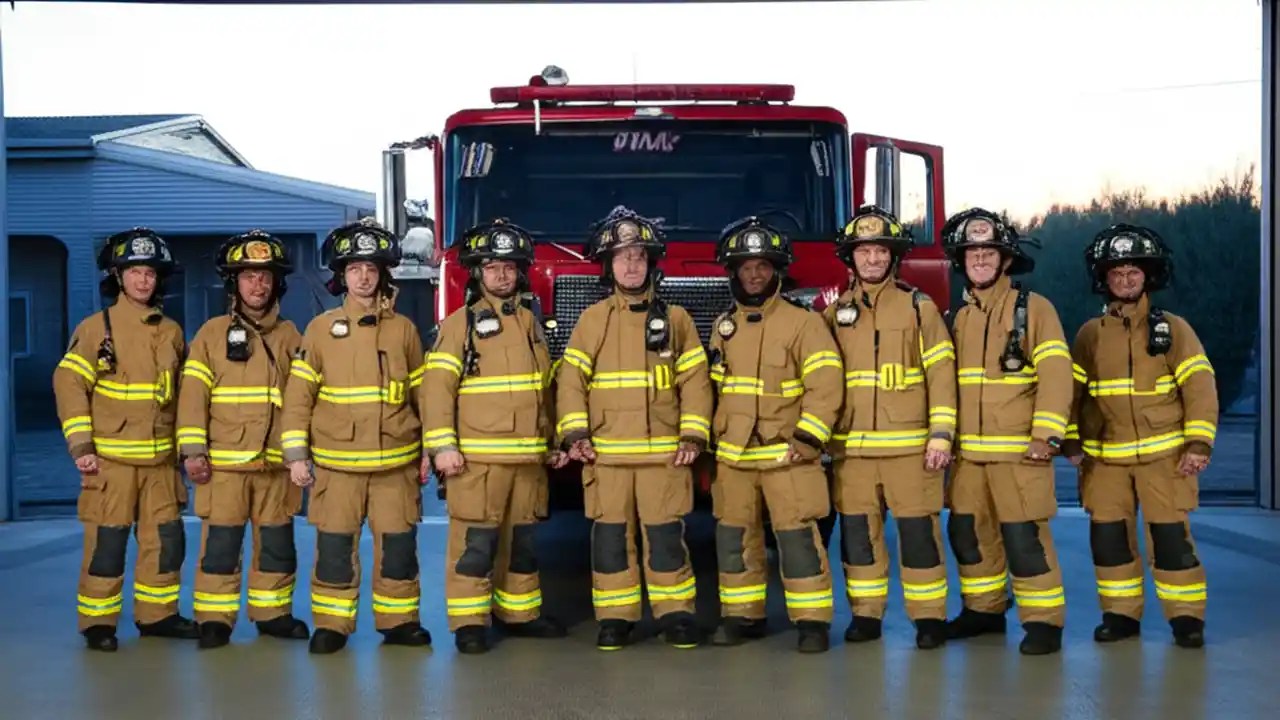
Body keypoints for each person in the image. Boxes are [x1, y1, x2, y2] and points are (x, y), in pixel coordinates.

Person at [555, 207, 713, 651]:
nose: (631, 265)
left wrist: (693, 435)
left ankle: (676, 615)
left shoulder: (677, 320)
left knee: (666, 539)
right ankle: (615, 619)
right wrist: (575, 435)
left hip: (664, 456)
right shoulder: (592, 320)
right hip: (606, 457)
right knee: (610, 542)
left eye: (639, 257)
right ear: (609, 265)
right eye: (622, 257)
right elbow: (570, 382)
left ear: (650, 264)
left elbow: (696, 382)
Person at [280, 219, 429, 655]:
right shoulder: (320, 330)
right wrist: (296, 455)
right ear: (340, 276)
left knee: (399, 550)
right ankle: (331, 625)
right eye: (354, 268)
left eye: (370, 268)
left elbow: (423, 395)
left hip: (395, 468)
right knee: (333, 549)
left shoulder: (404, 331)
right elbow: (297, 399)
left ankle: (400, 623)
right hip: (338, 468)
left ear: (383, 274)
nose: (363, 276)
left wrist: (427, 451)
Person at [1063, 223, 1215, 649]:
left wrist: (1199, 443)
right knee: (1110, 542)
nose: (1126, 281)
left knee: (1170, 541)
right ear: (1103, 279)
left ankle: (1186, 619)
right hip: (1104, 460)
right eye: (1117, 273)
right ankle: (1120, 617)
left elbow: (1199, 387)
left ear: (1148, 276)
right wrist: (1070, 441)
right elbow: (1072, 394)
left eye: (1134, 273)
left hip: (1164, 459)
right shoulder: (1089, 335)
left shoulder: (1174, 329)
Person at [422, 218, 570, 654]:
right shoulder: (459, 325)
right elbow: (437, 390)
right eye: (492, 267)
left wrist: (552, 444)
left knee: (521, 544)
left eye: (508, 267)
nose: (501, 275)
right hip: (477, 462)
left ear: (519, 272)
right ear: (478, 273)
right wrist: (443, 447)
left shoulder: (532, 324)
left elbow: (543, 391)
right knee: (474, 545)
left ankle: (519, 614)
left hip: (527, 462)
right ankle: (469, 622)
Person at [53, 227, 197, 651]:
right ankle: (98, 624)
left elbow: (183, 397)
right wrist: (81, 446)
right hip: (110, 465)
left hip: (160, 467)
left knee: (166, 544)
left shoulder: (172, 331)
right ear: (118, 277)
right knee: (107, 546)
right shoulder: (96, 328)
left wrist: (186, 451)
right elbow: (68, 383)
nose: (143, 281)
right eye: (134, 272)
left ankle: (158, 616)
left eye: (150, 273)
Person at [706, 216, 843, 654]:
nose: (753, 274)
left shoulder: (804, 324)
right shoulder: (724, 325)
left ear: (777, 271)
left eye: (762, 266)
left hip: (788, 455)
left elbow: (826, 385)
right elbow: (713, 389)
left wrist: (808, 440)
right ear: (734, 272)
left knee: (799, 539)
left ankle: (812, 623)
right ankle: (743, 618)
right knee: (735, 542)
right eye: (745, 267)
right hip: (735, 458)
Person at [823, 206, 956, 650]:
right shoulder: (833, 314)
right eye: (865, 252)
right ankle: (865, 616)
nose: (873, 260)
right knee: (858, 541)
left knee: (919, 538)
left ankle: (929, 619)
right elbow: (821, 381)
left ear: (893, 257)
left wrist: (941, 434)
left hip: (910, 451)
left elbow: (941, 374)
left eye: (881, 251)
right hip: (852, 452)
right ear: (851, 259)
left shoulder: (920, 309)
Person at [941, 208, 1072, 656]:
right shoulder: (959, 318)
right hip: (968, 458)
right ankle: (984, 611)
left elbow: (1057, 374)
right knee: (969, 534)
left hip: (1020, 455)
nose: (980, 259)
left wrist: (1047, 435)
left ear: (1006, 260)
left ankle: (1043, 623)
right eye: (972, 253)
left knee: (1025, 539)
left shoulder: (1034, 310)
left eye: (988, 252)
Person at [176, 230, 310, 649]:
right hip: (224, 466)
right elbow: (193, 396)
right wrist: (193, 452)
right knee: (220, 547)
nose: (258, 285)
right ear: (234, 282)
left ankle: (272, 615)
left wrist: (300, 455)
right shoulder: (210, 335)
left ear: (277, 283)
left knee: (276, 546)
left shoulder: (292, 337)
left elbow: (304, 402)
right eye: (249, 276)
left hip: (275, 466)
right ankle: (214, 619)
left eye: (266, 276)